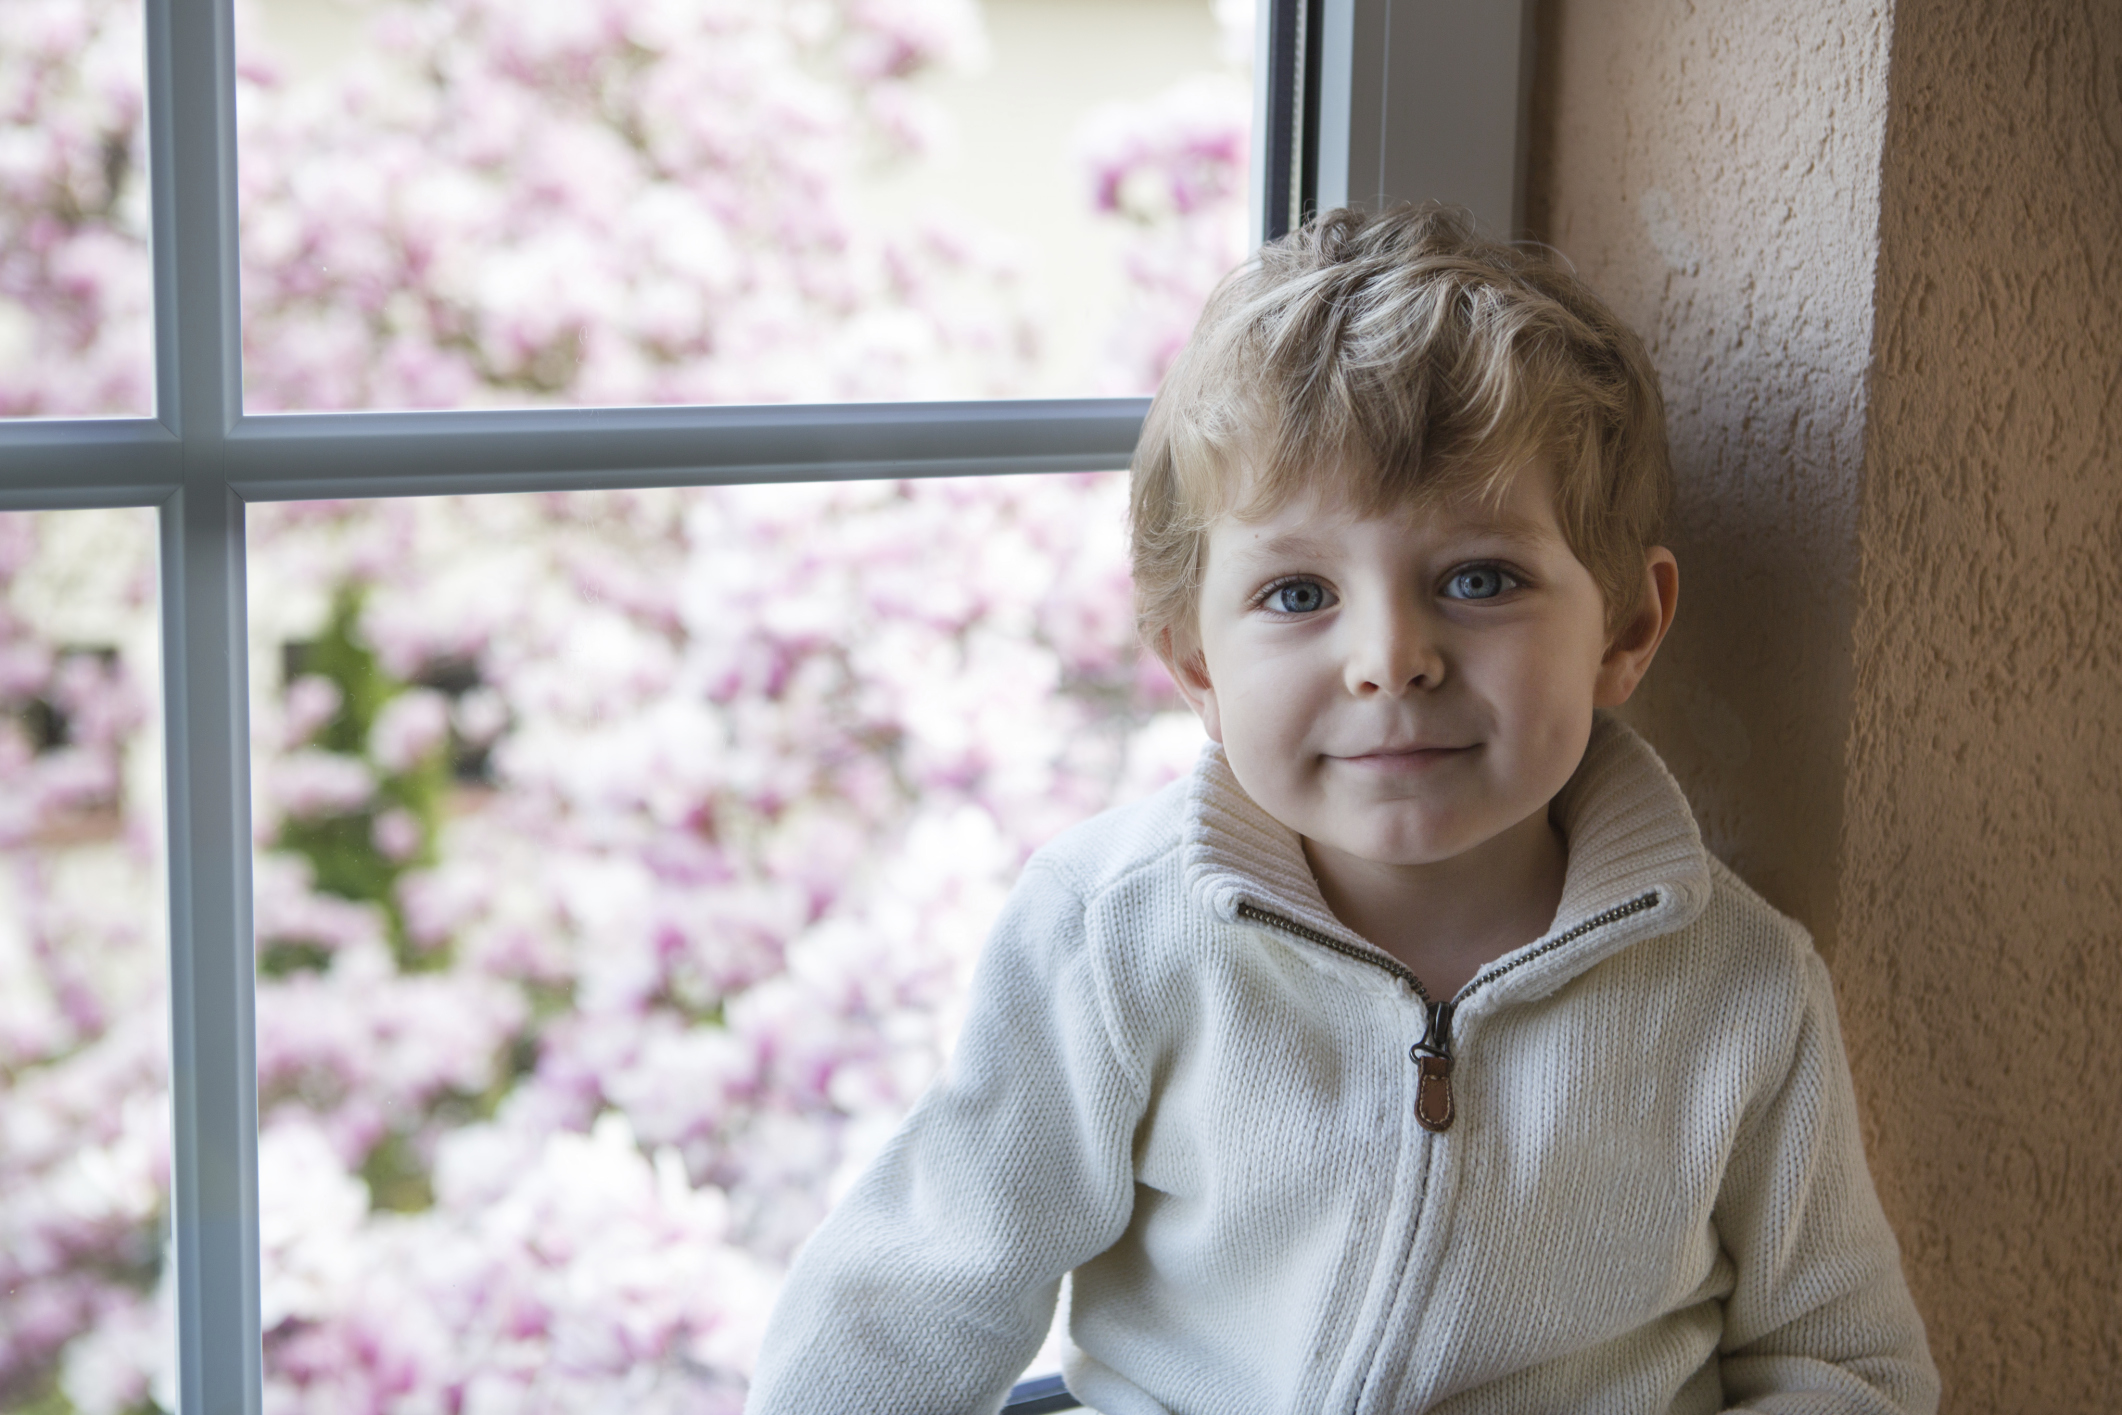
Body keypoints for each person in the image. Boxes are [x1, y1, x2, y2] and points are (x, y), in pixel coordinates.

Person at [745, 204, 1939, 1414]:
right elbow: (917, 1290)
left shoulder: (1739, 986)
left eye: (1479, 578)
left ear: (1625, 628)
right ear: (1197, 664)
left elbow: (1843, 1364)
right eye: (1298, 591)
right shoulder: (1114, 928)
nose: (1389, 657)